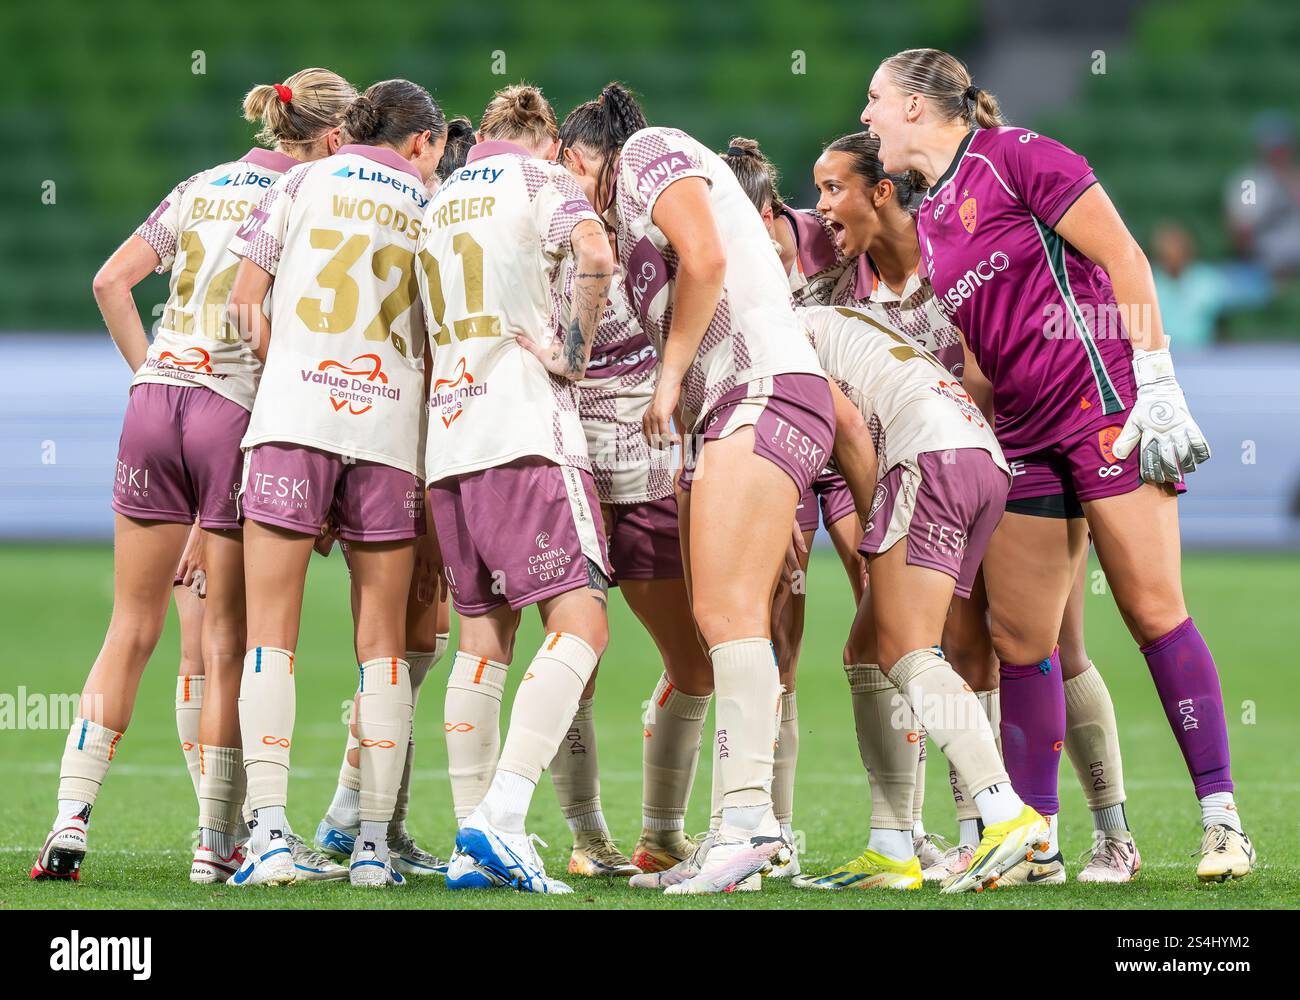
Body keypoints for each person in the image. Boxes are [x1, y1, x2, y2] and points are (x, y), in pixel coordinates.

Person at [863, 47, 1252, 883]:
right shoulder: (930, 218)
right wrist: (957, 425)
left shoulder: (1024, 159)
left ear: (920, 108)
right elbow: (978, 355)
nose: (866, 117)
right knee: (1020, 639)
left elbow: (1127, 260)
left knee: (1152, 611)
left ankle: (1223, 824)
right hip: (1025, 434)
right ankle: (1033, 838)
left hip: (1104, 405)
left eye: (876, 100)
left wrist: (1157, 381)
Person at [31, 68, 357, 884]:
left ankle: (68, 823)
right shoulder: (315, 197)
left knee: (129, 627)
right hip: (231, 415)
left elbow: (110, 282)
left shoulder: (200, 184)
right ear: (328, 136)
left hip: (153, 405)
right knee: (220, 643)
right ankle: (219, 843)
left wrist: (151, 373)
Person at [558, 83, 878, 895]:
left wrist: (668, 382)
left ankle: (751, 826)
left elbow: (706, 259)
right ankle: (736, 824)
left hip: (759, 389)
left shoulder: (647, 151)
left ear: (579, 154)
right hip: (738, 403)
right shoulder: (626, 213)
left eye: (563, 173)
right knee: (721, 619)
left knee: (730, 614)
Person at [815, 130, 1140, 884]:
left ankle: (1110, 833)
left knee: (1055, 647)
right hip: (934, 480)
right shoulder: (846, 289)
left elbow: (1005, 356)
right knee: (964, 649)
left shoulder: (949, 253)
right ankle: (981, 833)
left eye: (835, 190)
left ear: (884, 190)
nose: (823, 211)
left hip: (1021, 452)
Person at [225, 78, 446, 887]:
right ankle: (376, 850)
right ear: (419, 140)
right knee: (382, 646)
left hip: (296, 419)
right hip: (388, 432)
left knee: (270, 633)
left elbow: (245, 301)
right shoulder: (430, 204)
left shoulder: (299, 181)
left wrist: (294, 371)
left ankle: (272, 838)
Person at [417, 84, 615, 895]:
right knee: (583, 625)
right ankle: (502, 814)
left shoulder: (438, 200)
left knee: (481, 639)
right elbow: (596, 256)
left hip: (448, 440)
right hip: (524, 428)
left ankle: (473, 843)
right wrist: (573, 349)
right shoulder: (545, 182)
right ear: (540, 139)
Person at [789, 304, 1049, 893]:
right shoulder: (832, 317)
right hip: (981, 461)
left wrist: (873, 538)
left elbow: (850, 429)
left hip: (929, 456)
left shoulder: (775, 332)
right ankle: (892, 846)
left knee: (908, 650)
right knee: (866, 650)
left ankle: (1004, 811)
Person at [717, 137, 862, 880]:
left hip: (853, 430)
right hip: (787, 438)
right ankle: (774, 829)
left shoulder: (829, 236)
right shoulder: (719, 266)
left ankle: (906, 831)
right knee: (779, 643)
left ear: (773, 213)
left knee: (889, 612)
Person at [553, 257, 711, 879]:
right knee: (574, 658)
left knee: (696, 667)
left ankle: (662, 836)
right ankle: (588, 837)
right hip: (566, 456)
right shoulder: (546, 225)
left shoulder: (660, 232)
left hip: (650, 464)